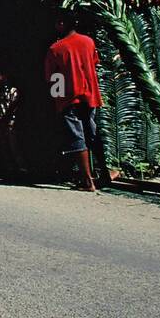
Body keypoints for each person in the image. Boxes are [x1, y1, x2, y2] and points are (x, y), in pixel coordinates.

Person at [44, 12, 103, 192]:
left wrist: (58, 101)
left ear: (61, 24)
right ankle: (104, 173)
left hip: (70, 99)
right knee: (92, 133)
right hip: (90, 95)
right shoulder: (88, 42)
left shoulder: (56, 49)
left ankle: (87, 181)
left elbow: (53, 78)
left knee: (77, 137)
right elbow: (95, 64)